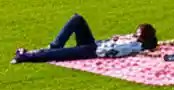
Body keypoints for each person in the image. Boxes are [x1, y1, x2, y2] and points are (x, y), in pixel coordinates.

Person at [12, 14, 157, 63]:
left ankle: (25, 56)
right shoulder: (133, 42)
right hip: (94, 45)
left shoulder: (135, 46)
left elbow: (110, 51)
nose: (135, 33)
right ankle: (55, 45)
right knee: (77, 19)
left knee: (59, 55)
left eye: (138, 32)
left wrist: (114, 42)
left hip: (93, 50)